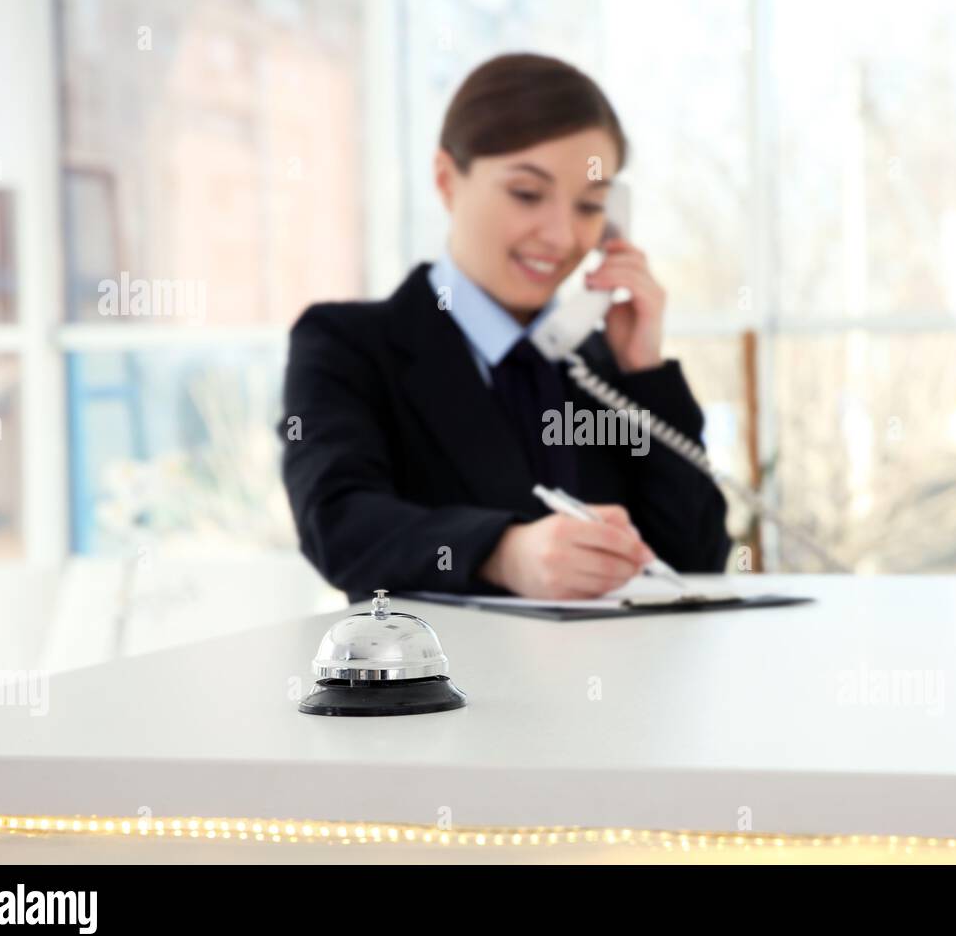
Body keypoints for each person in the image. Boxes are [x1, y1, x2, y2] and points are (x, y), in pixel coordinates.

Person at [280, 52, 730, 604]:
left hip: (614, 680)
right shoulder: (347, 343)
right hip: (445, 686)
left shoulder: (599, 367)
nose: (562, 237)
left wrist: (643, 368)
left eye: (590, 206)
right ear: (446, 180)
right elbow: (337, 522)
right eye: (526, 194)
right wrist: (503, 552)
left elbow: (697, 557)